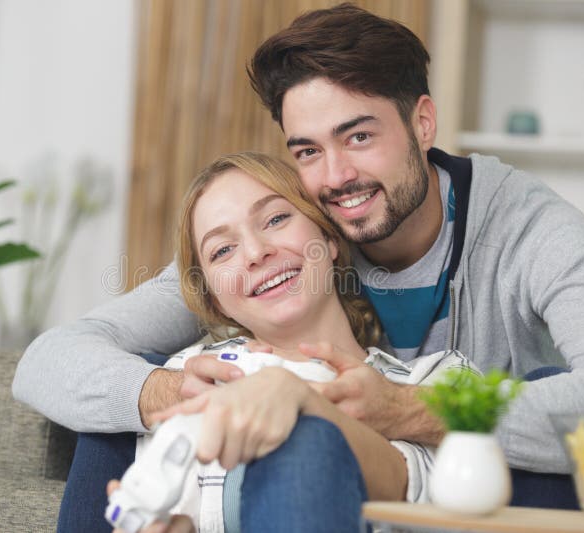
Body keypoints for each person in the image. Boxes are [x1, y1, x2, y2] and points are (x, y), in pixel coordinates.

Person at [13, 1, 584, 517]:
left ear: (423, 123)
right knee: (131, 389)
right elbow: (54, 359)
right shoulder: (297, 230)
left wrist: (410, 410)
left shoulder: (531, 229)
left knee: (535, 398)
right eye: (308, 150)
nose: (337, 175)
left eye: (359, 136)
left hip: (466, 485)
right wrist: (169, 394)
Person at [99, 152, 474, 532]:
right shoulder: (185, 383)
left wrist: (300, 399)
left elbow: (413, 488)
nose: (256, 253)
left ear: (328, 237)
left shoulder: (441, 380)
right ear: (213, 298)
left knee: (306, 441)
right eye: (222, 250)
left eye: (276, 219)